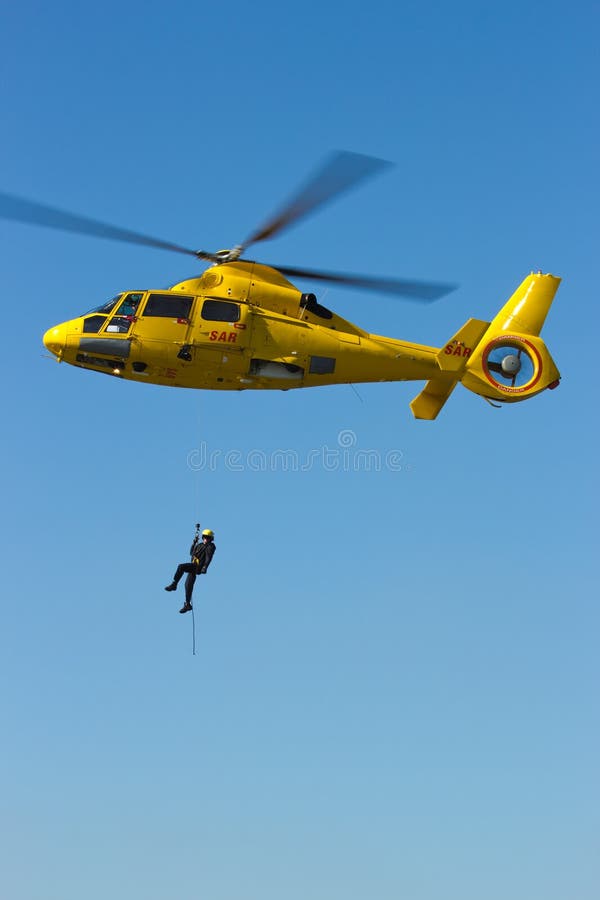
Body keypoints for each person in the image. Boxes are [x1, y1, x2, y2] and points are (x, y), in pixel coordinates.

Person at [165, 528, 216, 613]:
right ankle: (187, 604)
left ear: (211, 539)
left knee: (181, 567)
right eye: (205, 537)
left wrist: (205, 567)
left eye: (208, 538)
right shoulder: (199, 545)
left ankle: (174, 584)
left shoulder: (210, 547)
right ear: (203, 537)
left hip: (197, 567)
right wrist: (194, 543)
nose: (206, 539)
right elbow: (191, 553)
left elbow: (209, 557)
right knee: (188, 585)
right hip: (193, 567)